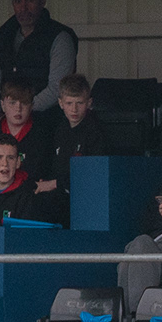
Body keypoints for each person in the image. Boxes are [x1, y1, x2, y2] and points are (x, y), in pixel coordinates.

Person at [0, 0, 77, 119]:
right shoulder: (3, 38)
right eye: (18, 1)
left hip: (46, 121)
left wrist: (19, 113)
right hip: (7, 122)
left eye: (30, 0)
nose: (23, 8)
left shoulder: (59, 38)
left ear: (43, 1)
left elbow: (57, 89)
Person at [37, 74, 107, 219]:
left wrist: (55, 184)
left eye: (79, 103)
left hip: (84, 197)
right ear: (60, 103)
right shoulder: (59, 130)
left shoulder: (95, 132)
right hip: (59, 194)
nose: (74, 109)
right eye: (69, 103)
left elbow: (93, 174)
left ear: (89, 103)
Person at [0, 79, 49, 186]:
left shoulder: (42, 136)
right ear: (2, 105)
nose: (18, 109)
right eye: (12, 103)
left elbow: (42, 174)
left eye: (24, 103)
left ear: (32, 106)